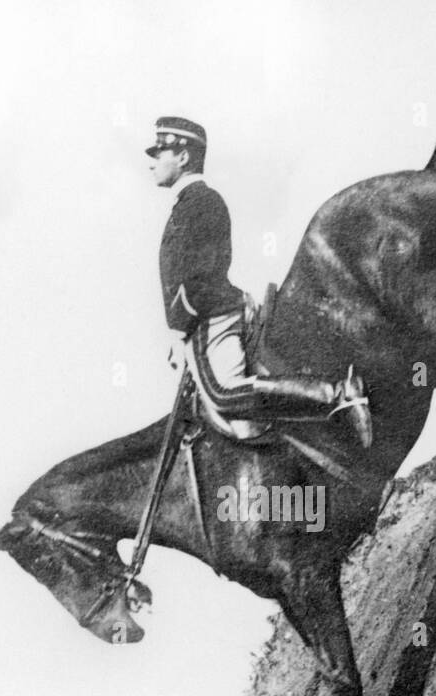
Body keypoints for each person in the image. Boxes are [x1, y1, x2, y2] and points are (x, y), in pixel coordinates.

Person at [145, 116, 371, 448]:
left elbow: (199, 278)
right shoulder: (189, 204)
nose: (152, 161)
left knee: (223, 397)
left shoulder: (200, 203)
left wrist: (178, 331)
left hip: (209, 318)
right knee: (241, 426)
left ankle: (336, 394)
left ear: (183, 157)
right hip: (208, 316)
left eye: (160, 151)